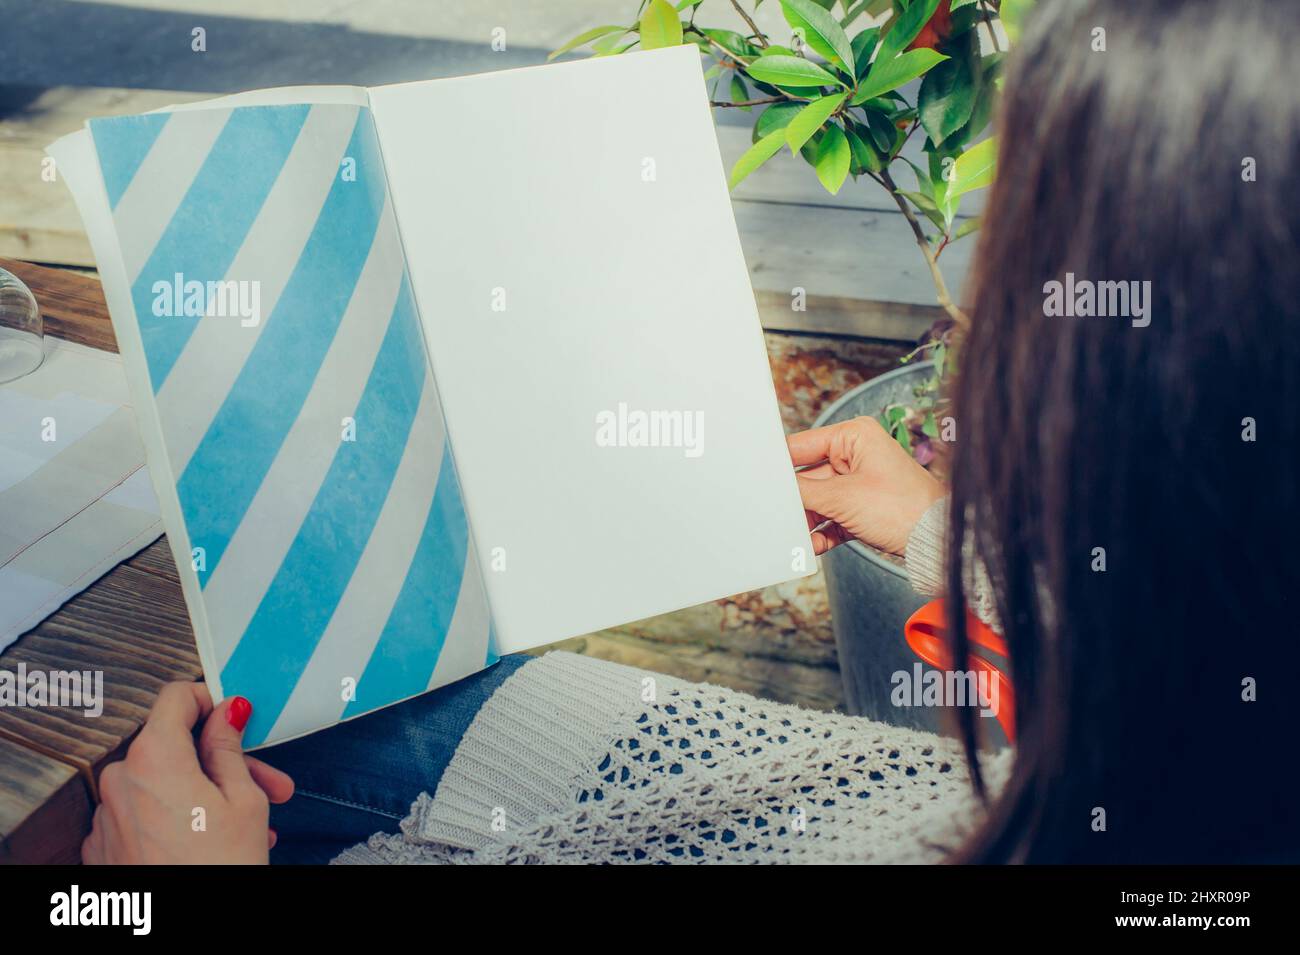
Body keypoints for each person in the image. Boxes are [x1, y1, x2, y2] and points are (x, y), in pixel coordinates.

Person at [81, 0, 1298, 865]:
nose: (993, 317)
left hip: (762, 808)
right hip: (802, 794)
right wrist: (946, 543)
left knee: (118, 775)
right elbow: (1190, 675)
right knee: (304, 706)